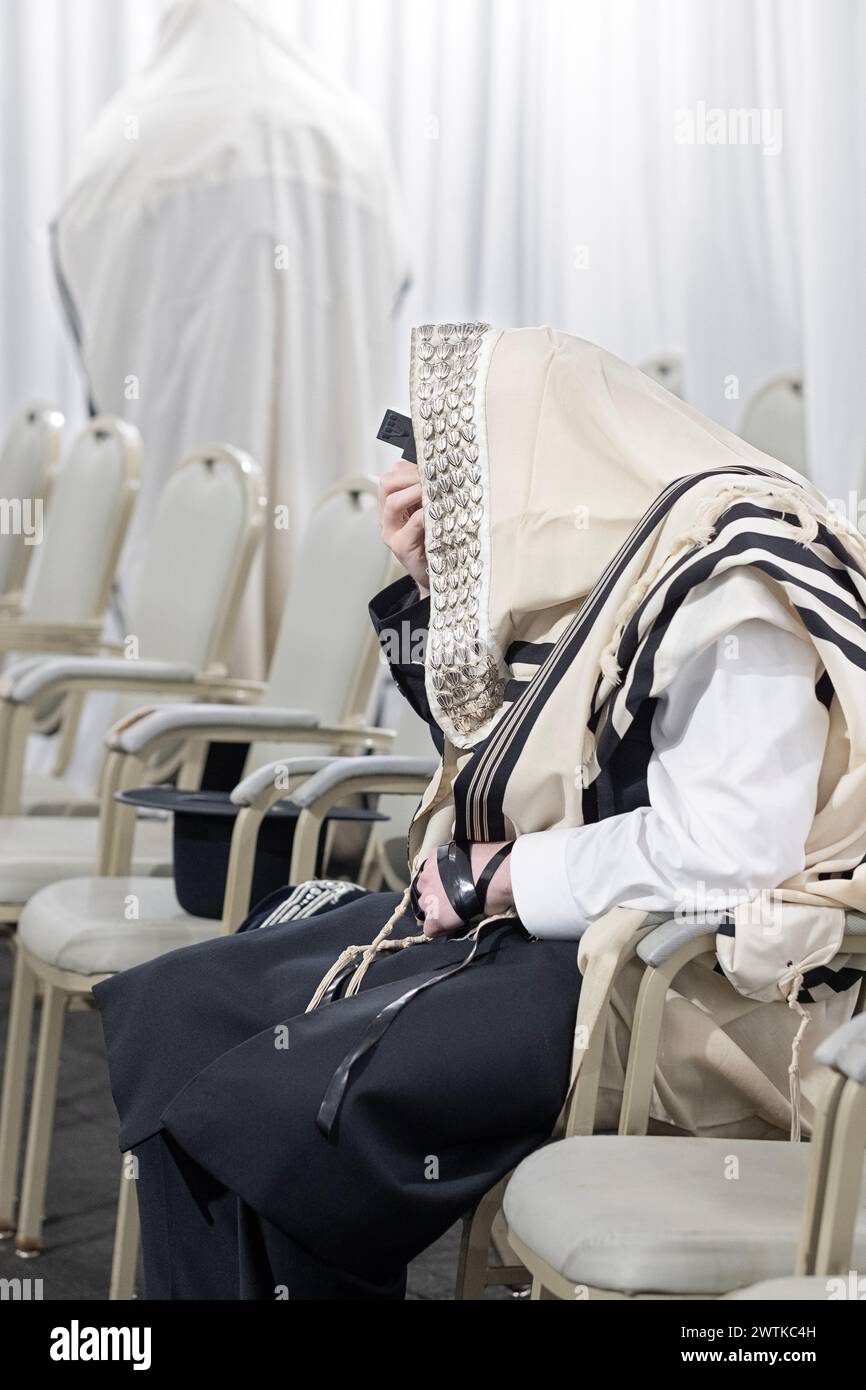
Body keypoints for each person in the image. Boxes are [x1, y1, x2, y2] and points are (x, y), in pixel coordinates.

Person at [94, 324, 866, 1299]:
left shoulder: (733, 582)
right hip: (537, 940)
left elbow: (727, 853)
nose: (433, 486)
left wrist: (503, 874)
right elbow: (493, 774)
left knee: (274, 1116)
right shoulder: (611, 577)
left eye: (458, 462)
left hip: (675, 992)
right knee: (182, 1012)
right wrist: (433, 586)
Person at [51, 0, 409, 675]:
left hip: (185, 491)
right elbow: (393, 281)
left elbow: (78, 277)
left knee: (193, 639)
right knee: (324, 666)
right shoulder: (350, 131)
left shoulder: (129, 135)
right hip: (334, 501)